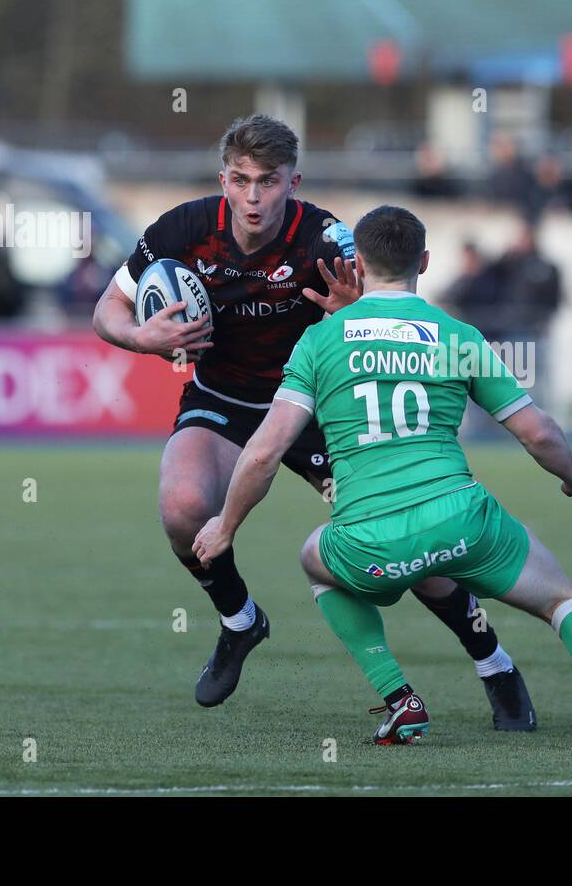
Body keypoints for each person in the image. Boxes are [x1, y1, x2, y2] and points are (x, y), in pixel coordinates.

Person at [192, 205, 572, 749]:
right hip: (464, 522)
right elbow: (539, 433)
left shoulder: (319, 342)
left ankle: (401, 700)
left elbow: (264, 452)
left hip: (369, 539)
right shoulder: (458, 335)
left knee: (315, 558)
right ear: (427, 262)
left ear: (358, 265)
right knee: (562, 600)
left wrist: (225, 526)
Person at [92, 115, 536, 728]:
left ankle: (493, 660)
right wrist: (142, 337)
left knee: (405, 544)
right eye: (241, 180)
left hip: (315, 410)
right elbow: (105, 309)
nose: (253, 197)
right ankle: (240, 621)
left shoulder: (328, 241)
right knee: (181, 509)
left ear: (292, 182)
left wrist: (354, 314)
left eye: (268, 182)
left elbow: (390, 313)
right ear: (223, 178)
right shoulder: (183, 228)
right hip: (222, 401)